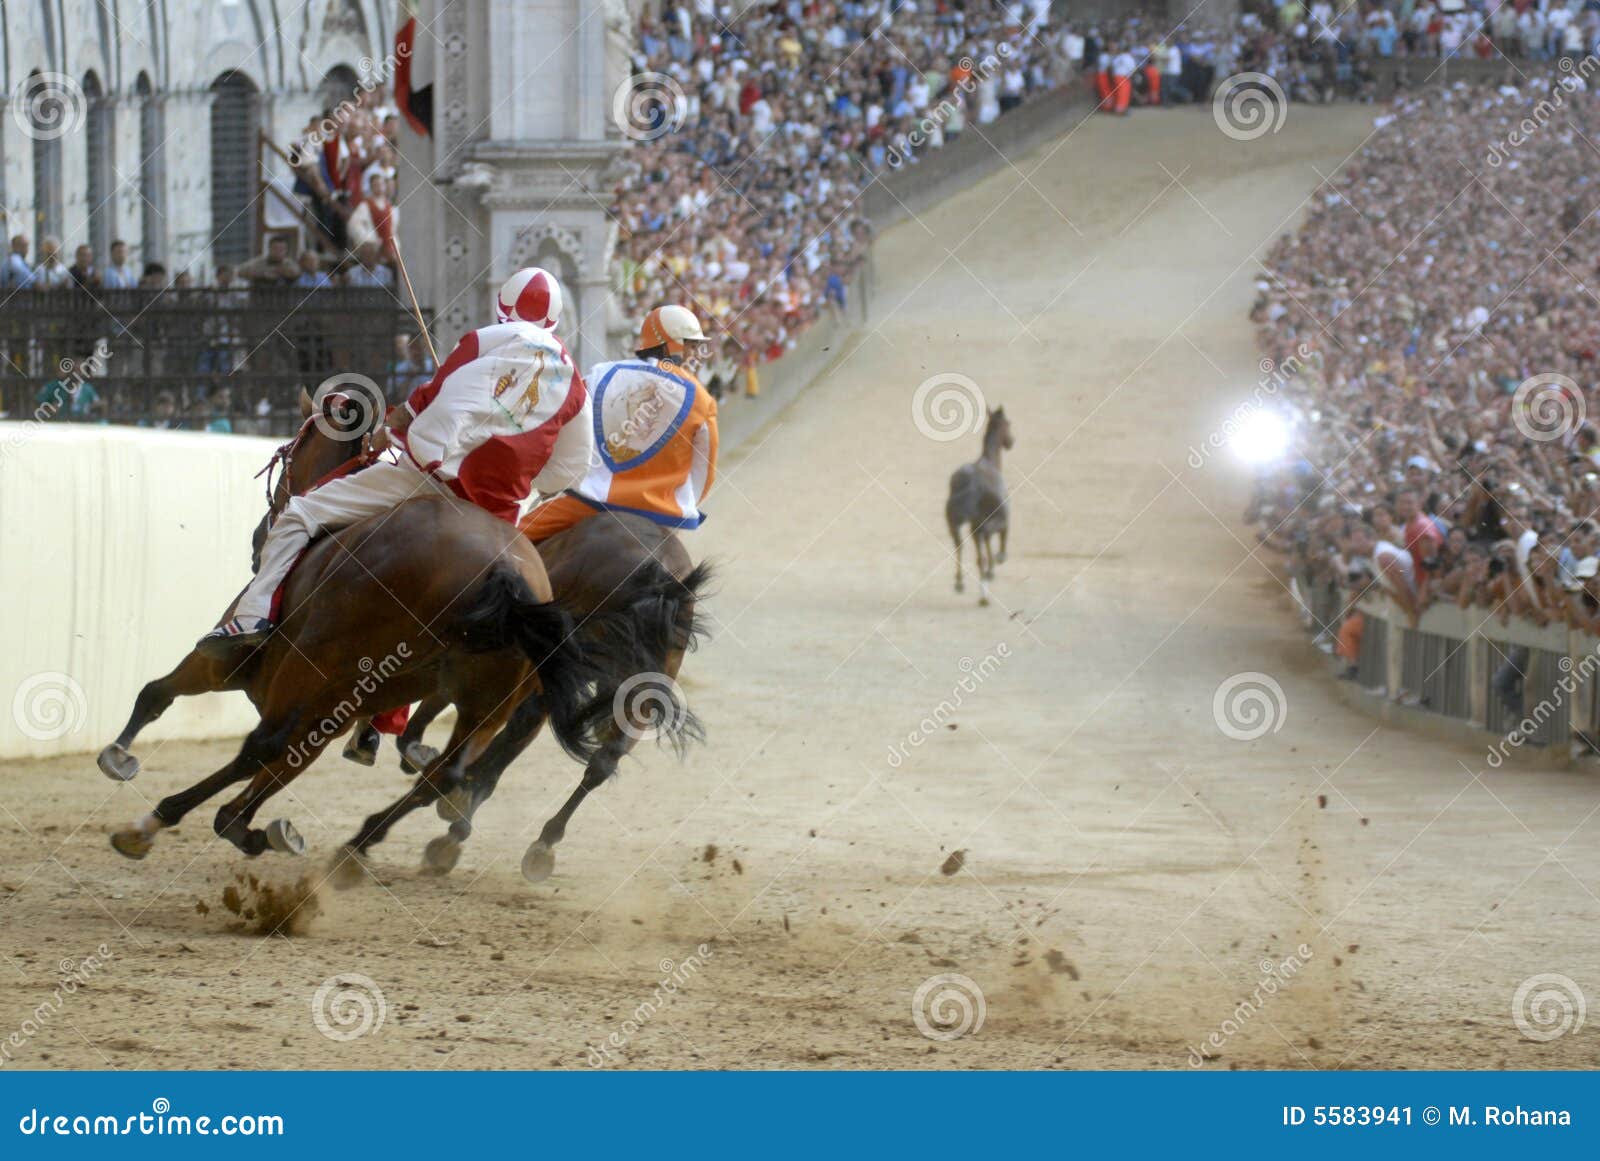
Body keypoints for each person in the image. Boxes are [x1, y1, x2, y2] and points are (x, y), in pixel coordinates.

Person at [198, 266, 593, 654]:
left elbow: (423, 402)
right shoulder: (575, 381)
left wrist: (383, 434)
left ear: (502, 307)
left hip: (433, 482)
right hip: (501, 514)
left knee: (301, 512)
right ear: (554, 320)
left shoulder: (482, 340)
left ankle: (252, 618)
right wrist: (525, 476)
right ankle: (392, 719)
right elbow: (571, 468)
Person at [520, 303, 719, 543]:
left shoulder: (601, 373)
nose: (695, 353)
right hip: (660, 515)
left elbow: (566, 424)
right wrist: (685, 503)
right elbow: (704, 471)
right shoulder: (702, 399)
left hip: (586, 502)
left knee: (509, 546)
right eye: (693, 346)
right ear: (676, 346)